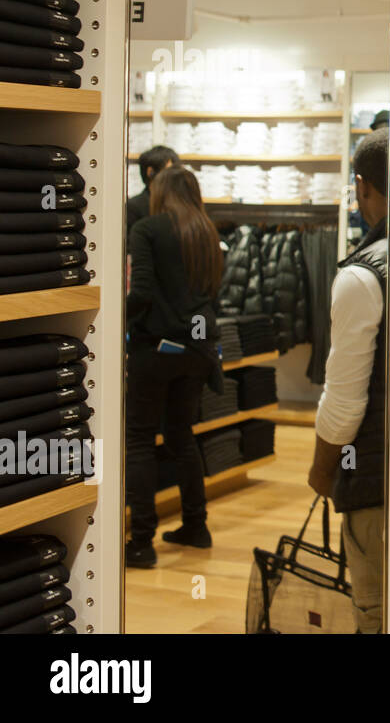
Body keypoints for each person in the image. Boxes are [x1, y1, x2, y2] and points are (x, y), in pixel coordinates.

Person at [308, 128, 389, 632]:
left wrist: (322, 469)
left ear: (362, 186)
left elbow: (343, 402)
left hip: (375, 484)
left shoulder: (362, 276)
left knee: (376, 610)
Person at [124, 166, 223, 568]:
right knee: (183, 436)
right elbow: (213, 292)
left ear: (158, 192)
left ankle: (142, 542)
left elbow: (142, 291)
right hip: (198, 349)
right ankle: (196, 526)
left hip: (156, 349)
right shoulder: (208, 232)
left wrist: (117, 317)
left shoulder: (147, 229)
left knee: (140, 440)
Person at [126, 145, 180, 233]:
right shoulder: (134, 208)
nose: (175, 176)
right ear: (150, 172)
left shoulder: (179, 204)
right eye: (169, 171)